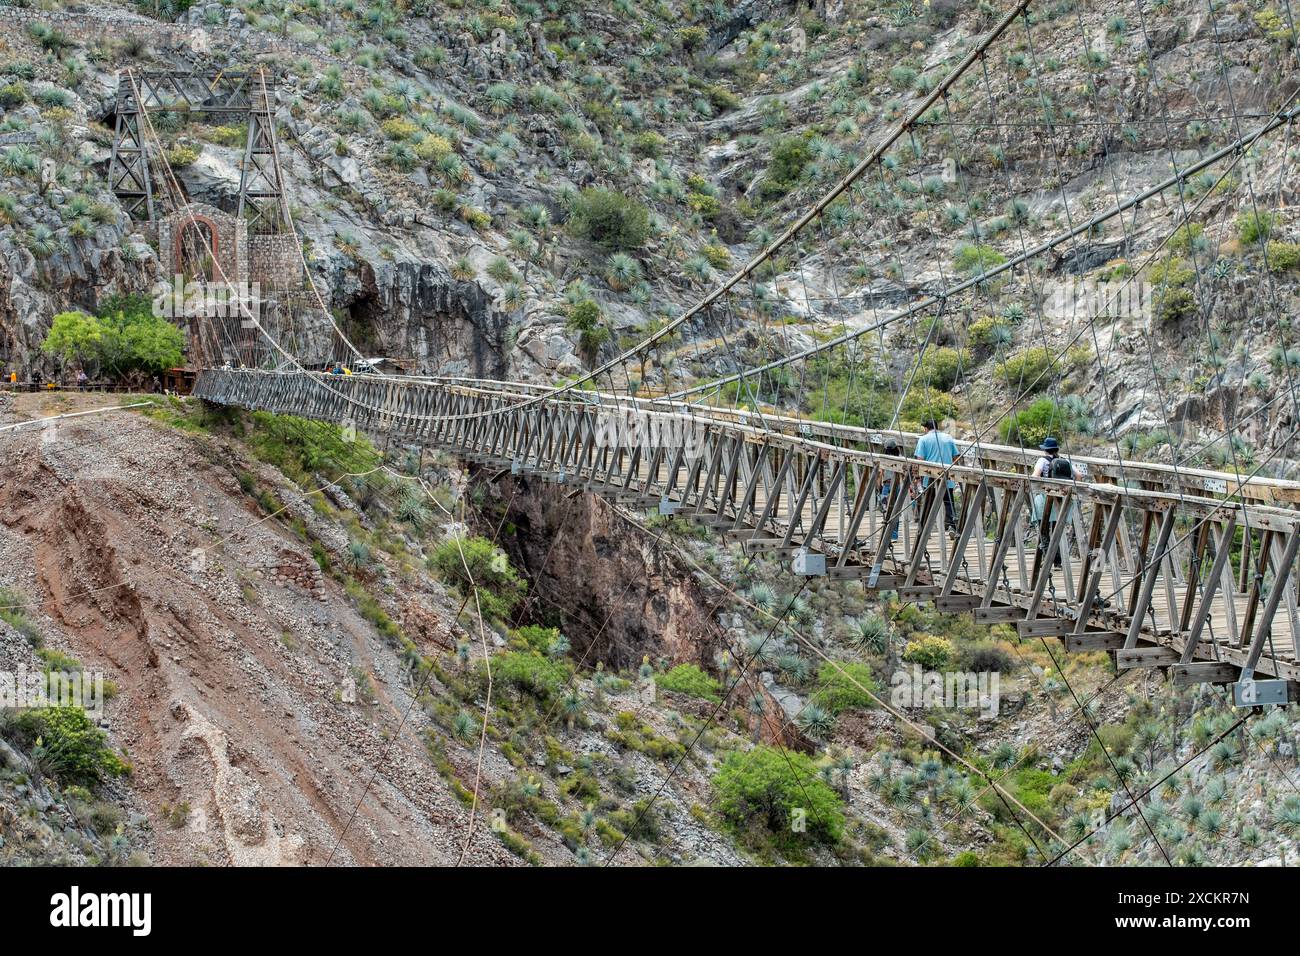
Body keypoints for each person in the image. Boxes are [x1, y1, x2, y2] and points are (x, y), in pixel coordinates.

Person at [1031, 437, 1073, 569]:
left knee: (1043, 530)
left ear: (1045, 449)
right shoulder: (1064, 461)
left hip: (1045, 499)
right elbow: (1078, 476)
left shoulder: (1042, 460)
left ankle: (1048, 558)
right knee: (1056, 531)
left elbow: (1035, 476)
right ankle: (1058, 562)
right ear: (1056, 449)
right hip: (1059, 501)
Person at [914, 417, 958, 534]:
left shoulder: (923, 440)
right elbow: (956, 457)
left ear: (926, 428)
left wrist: (917, 478)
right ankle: (951, 526)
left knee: (928, 503)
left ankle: (924, 528)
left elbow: (920, 460)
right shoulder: (948, 438)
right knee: (949, 503)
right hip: (947, 477)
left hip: (930, 479)